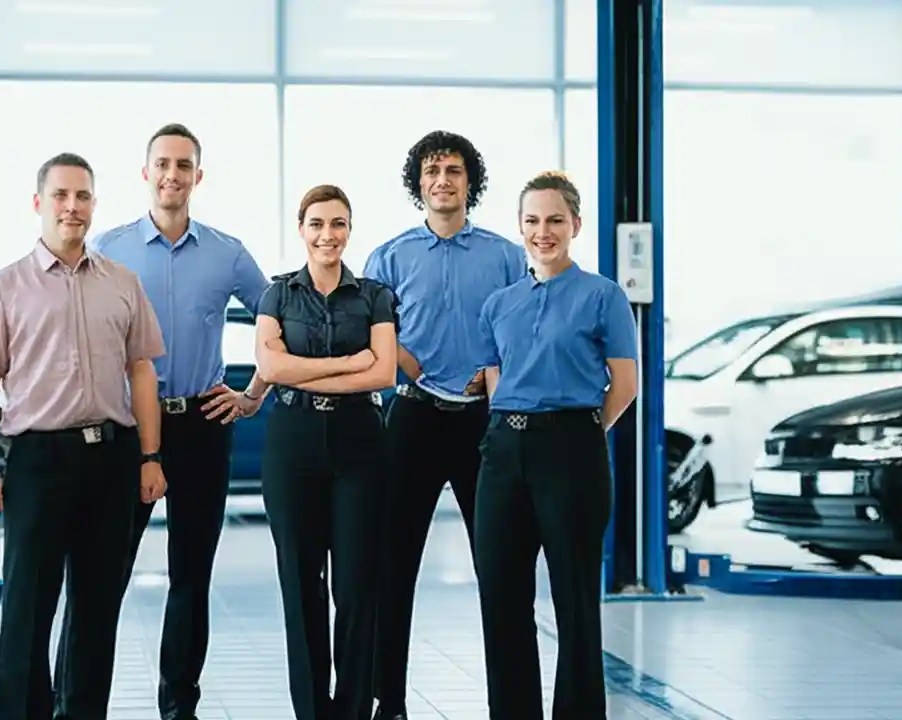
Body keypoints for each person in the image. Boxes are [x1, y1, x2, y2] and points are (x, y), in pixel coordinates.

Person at [75, 123, 271, 720]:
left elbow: (279, 320)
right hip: (128, 429)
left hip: (202, 427)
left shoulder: (228, 253)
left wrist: (252, 393)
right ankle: (78, 702)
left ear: (197, 177)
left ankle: (179, 703)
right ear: (145, 172)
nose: (172, 175)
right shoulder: (107, 248)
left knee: (191, 574)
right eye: (162, 163)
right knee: (103, 574)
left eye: (183, 165)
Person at [0, 152, 169, 720]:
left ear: (94, 206)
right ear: (39, 204)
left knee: (96, 609)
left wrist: (150, 456)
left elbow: (143, 372)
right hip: (38, 460)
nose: (72, 207)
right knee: (28, 607)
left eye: (82, 197)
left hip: (111, 459)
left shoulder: (123, 284)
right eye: (60, 195)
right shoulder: (3, 288)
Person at [362, 130, 526, 720]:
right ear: (418, 182)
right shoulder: (389, 257)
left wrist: (497, 372)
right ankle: (390, 701)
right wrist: (402, 360)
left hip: (485, 424)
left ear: (469, 181)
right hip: (411, 417)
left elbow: (521, 331)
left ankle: (509, 704)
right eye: (432, 170)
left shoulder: (506, 256)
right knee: (393, 563)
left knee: (500, 564)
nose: (442, 180)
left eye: (453, 170)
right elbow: (372, 334)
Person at [473, 171, 638, 719]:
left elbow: (625, 384)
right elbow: (496, 379)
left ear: (576, 225)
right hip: (502, 452)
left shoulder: (603, 296)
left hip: (571, 450)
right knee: (501, 598)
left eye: (554, 221)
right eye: (532, 221)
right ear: (520, 227)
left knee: (573, 600)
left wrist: (581, 434)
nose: (543, 232)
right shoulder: (498, 304)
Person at [255, 184, 398, 720]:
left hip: (361, 441)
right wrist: (347, 365)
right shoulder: (278, 295)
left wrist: (305, 370)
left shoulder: (375, 296)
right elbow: (270, 370)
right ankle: (312, 711)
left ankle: (353, 710)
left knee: (357, 587)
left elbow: (383, 372)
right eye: (317, 224)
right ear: (301, 230)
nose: (327, 235)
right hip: (292, 443)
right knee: (300, 582)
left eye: (337, 224)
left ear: (349, 230)